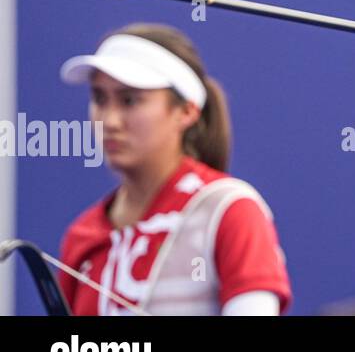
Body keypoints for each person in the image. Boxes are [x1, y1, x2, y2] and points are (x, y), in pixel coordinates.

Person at [57, 23, 291, 315]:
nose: (110, 120)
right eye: (99, 98)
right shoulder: (82, 233)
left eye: (130, 100)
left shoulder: (230, 209)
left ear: (186, 111)